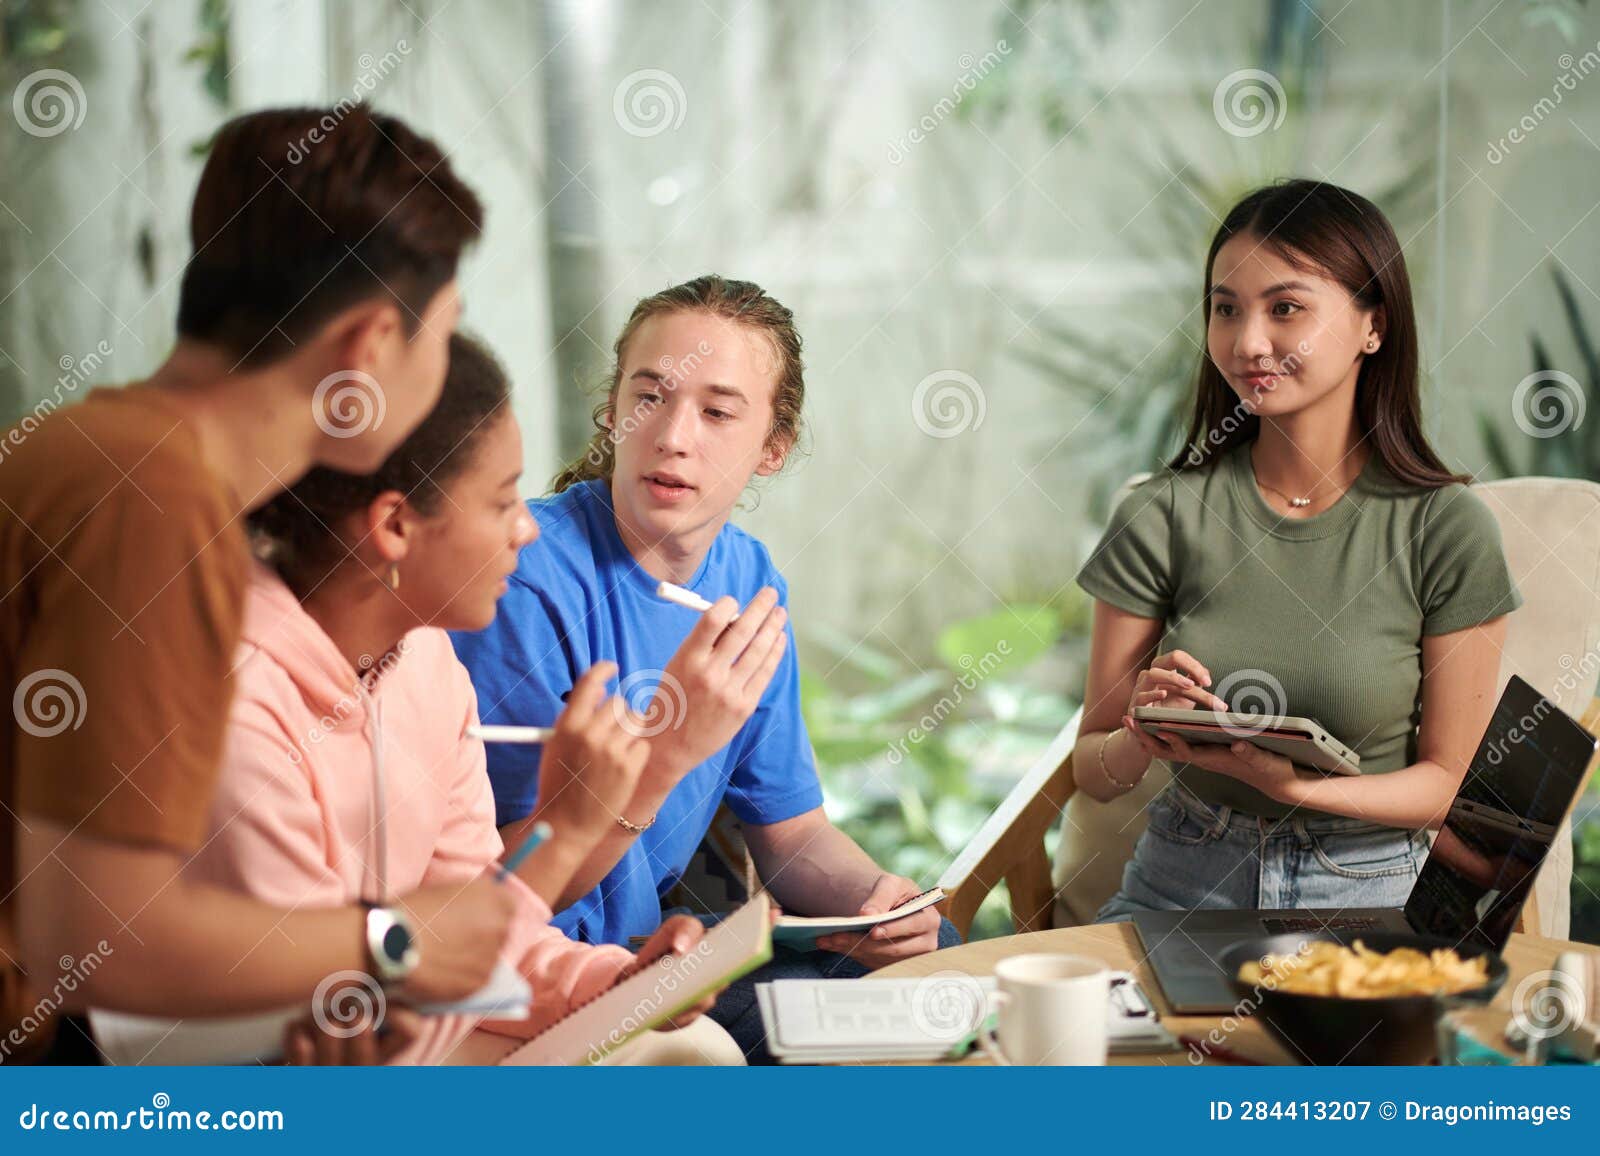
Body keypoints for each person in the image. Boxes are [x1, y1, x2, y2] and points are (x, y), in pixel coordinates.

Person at [0, 106, 515, 1064]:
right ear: (368, 347)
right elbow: (92, 940)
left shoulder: (99, 455)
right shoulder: (154, 501)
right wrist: (391, 942)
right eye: (443, 332)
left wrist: (315, 987)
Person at [451, 274, 958, 1061]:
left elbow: (793, 837)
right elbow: (506, 886)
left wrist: (874, 906)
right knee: (872, 1033)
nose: (673, 436)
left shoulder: (748, 581)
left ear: (772, 450)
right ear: (614, 409)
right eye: (650, 397)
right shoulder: (524, 577)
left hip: (663, 950)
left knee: (937, 952)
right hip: (541, 972)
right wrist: (669, 742)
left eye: (718, 413)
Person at [198, 332, 742, 1064]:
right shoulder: (233, 708)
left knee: (690, 1053)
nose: (526, 529)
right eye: (500, 499)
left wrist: (620, 981)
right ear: (395, 526)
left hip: (395, 1017)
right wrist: (566, 831)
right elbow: (334, 1036)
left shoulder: (423, 657)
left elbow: (467, 921)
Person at [1071, 180, 1520, 919]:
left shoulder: (1445, 527)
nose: (1248, 343)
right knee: (1097, 1036)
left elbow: (1446, 782)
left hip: (1371, 886)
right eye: (1225, 308)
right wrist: (1139, 733)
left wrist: (1295, 789)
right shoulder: (1158, 514)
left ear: (1373, 325)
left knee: (1348, 1038)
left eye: (1285, 308)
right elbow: (1093, 768)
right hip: (1183, 879)